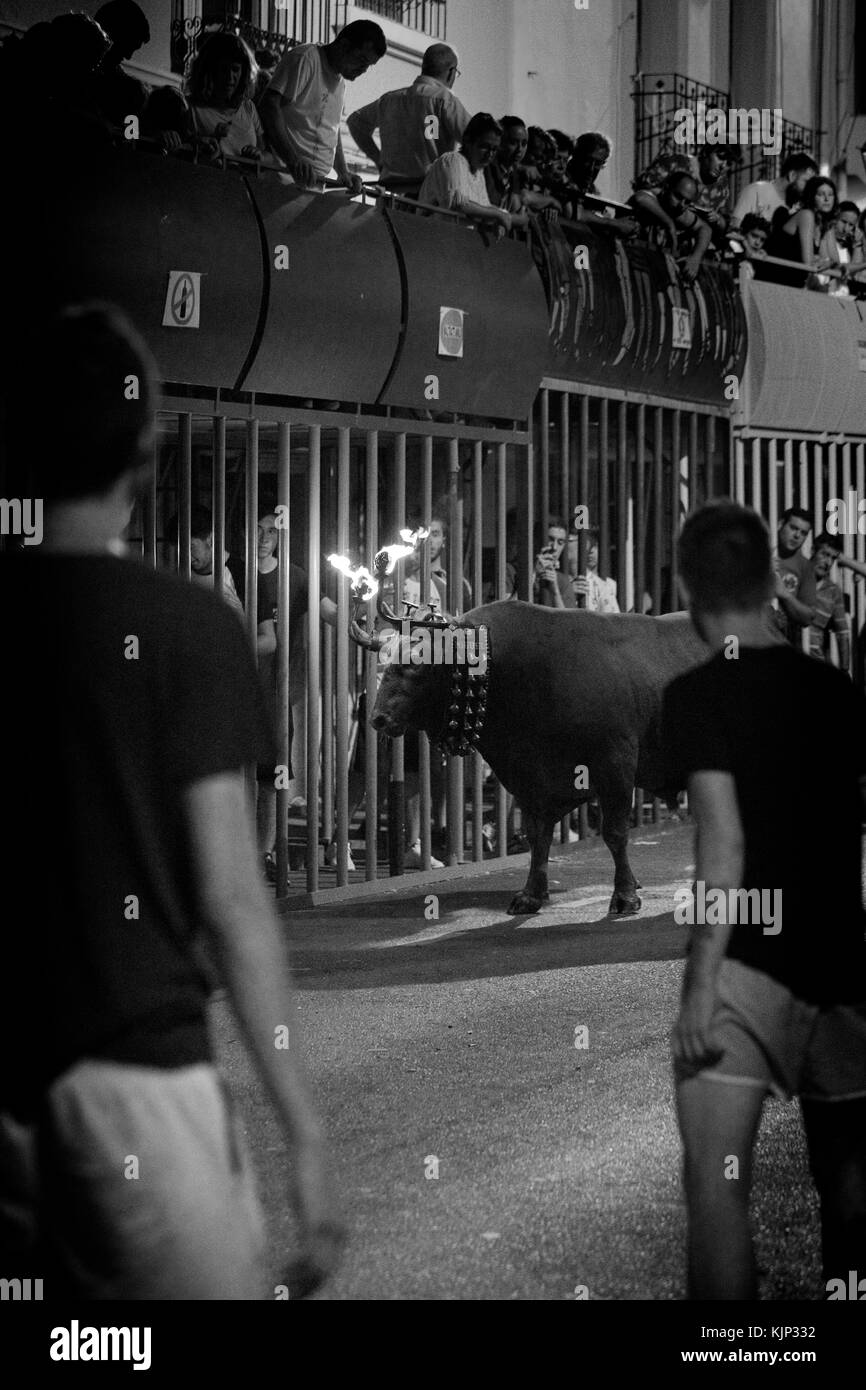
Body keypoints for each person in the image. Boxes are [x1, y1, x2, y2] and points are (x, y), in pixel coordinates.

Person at [0, 304, 343, 1299]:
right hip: (136, 1072)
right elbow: (235, 901)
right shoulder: (191, 627)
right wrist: (303, 1131)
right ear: (146, 451)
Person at [661, 499, 866, 1300]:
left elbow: (724, 851)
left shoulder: (696, 698)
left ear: (690, 591)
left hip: (750, 972)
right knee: (850, 1199)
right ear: (769, 583)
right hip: (844, 968)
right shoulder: (838, 694)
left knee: (717, 1198)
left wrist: (700, 985)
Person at [260, 19, 386, 192]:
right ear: (344, 45)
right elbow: (269, 105)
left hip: (313, 183)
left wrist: (343, 172)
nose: (363, 70)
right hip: (283, 177)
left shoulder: (341, 82)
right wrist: (293, 160)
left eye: (368, 66)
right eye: (361, 60)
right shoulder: (306, 58)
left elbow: (331, 130)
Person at [255, 513, 310, 879]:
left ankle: (264, 854)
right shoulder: (232, 571)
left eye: (272, 532)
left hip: (274, 691)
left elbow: (329, 611)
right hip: (236, 686)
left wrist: (360, 600)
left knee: (274, 774)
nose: (264, 538)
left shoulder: (295, 576)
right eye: (258, 530)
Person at [347, 43, 469, 199]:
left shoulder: (389, 100)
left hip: (390, 196)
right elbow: (479, 140)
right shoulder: (445, 101)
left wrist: (379, 160)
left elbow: (355, 122)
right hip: (429, 198)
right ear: (451, 73)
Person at [418, 112, 513, 236]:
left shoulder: (478, 172)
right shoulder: (453, 160)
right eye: (484, 147)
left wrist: (499, 218)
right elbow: (459, 203)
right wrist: (498, 214)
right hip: (433, 236)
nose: (489, 155)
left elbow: (484, 207)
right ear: (468, 141)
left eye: (494, 150)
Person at [186, 31, 268, 163]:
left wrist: (259, 155)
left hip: (245, 181)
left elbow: (267, 155)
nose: (230, 78)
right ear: (210, 71)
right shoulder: (191, 108)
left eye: (235, 70)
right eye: (223, 69)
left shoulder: (248, 107)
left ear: (244, 73)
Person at [629, 170, 713, 282]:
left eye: (687, 202)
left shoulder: (679, 211)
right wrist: (669, 223)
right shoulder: (656, 196)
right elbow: (640, 198)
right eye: (678, 197)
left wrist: (695, 257)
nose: (681, 205)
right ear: (666, 187)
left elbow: (705, 229)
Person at [765, 175, 840, 290]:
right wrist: (826, 262)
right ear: (812, 197)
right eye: (820, 194)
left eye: (830, 195)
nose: (826, 199)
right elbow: (808, 263)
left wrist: (828, 262)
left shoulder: (825, 225)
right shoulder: (806, 215)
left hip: (793, 284)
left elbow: (834, 261)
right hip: (773, 280)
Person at [90, 0, 150, 127]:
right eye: (128, 47)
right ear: (109, 36)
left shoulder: (128, 87)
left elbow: (131, 135)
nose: (128, 57)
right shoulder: (77, 77)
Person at [730, 151, 818, 230]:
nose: (809, 188)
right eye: (806, 182)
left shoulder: (797, 207)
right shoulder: (756, 190)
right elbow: (735, 228)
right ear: (792, 175)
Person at [770, 506, 817, 644]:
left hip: (783, 642)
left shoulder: (806, 567)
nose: (797, 536)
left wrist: (785, 594)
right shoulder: (758, 552)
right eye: (793, 528)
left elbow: (808, 618)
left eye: (803, 533)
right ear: (780, 524)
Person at [809, 531, 851, 669]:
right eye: (824, 554)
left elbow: (842, 633)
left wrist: (844, 670)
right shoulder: (795, 576)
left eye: (832, 558)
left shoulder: (833, 591)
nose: (828, 562)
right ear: (813, 551)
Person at [570, 529, 620, 612]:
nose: (591, 551)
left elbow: (613, 620)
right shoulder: (556, 577)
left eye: (595, 546)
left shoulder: (605, 585)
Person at [532, 516, 574, 608]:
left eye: (560, 542)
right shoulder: (512, 570)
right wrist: (533, 574)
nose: (554, 547)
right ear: (536, 539)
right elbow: (505, 614)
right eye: (550, 539)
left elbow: (567, 621)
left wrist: (555, 591)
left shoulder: (563, 581)